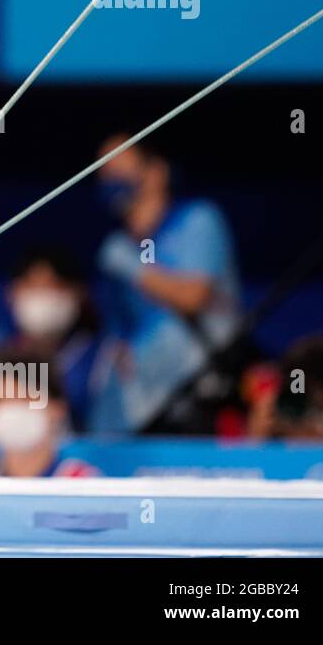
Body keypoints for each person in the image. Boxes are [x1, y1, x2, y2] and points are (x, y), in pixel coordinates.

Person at [88, 134, 241, 434]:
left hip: (200, 394)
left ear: (156, 172)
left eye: (121, 169)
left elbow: (193, 296)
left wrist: (136, 267)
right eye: (104, 173)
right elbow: (118, 329)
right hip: (142, 406)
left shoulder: (197, 220)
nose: (112, 181)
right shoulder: (117, 246)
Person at [2, 245, 101, 432]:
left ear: (78, 293)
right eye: (32, 286)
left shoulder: (103, 357)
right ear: (11, 292)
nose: (42, 297)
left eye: (53, 286)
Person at [0, 354, 99, 478]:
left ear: (57, 408)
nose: (12, 410)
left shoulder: (83, 483)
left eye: (25, 398)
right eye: (1, 400)